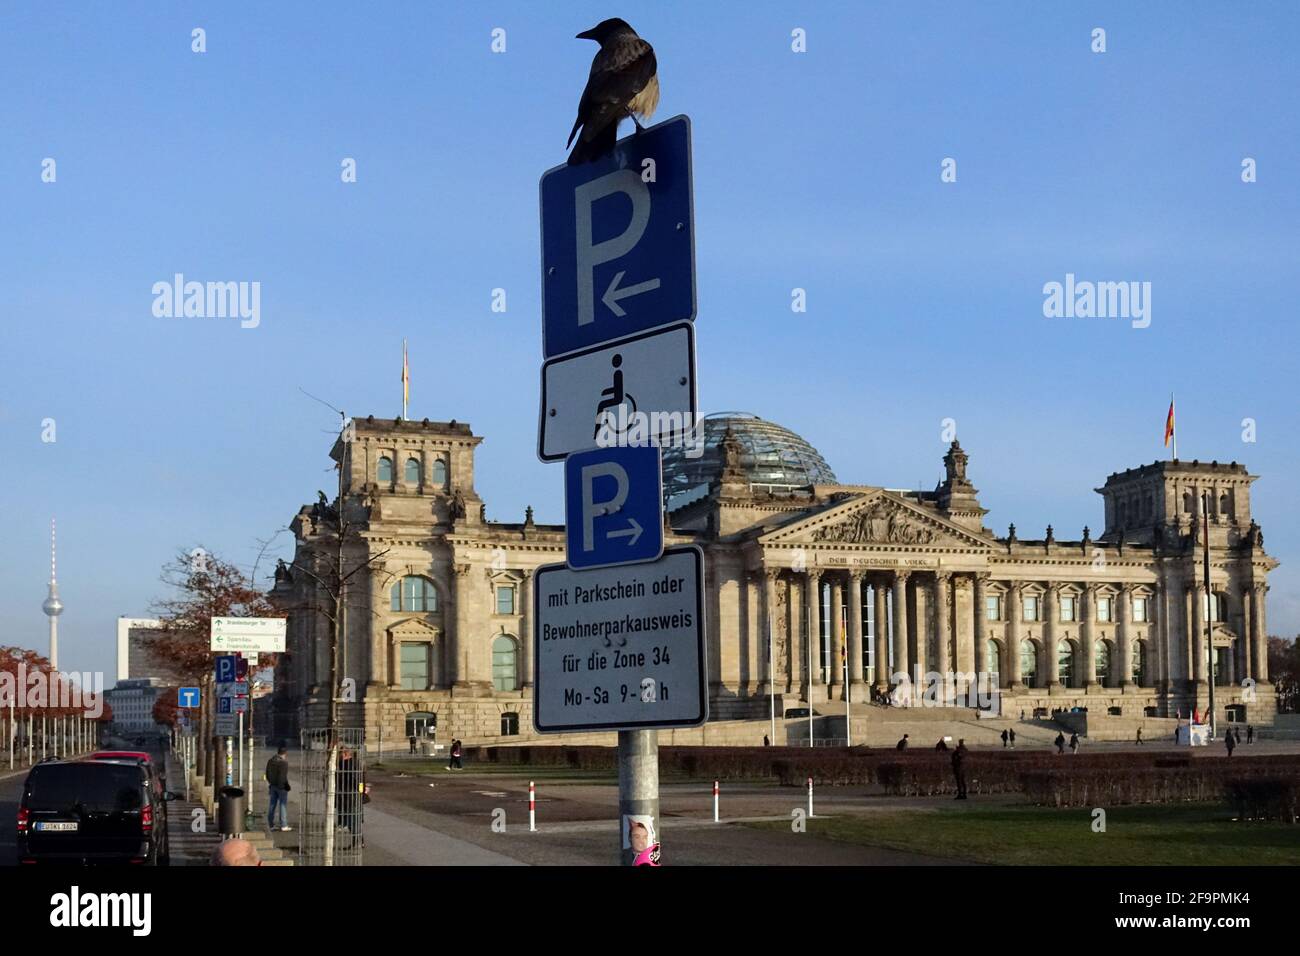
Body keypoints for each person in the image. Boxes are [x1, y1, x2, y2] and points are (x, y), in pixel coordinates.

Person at [265, 743, 292, 832]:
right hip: (281, 787)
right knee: (282, 805)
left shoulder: (270, 761)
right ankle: (283, 825)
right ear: (285, 754)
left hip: (272, 786)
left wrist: (271, 782)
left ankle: (270, 824)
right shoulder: (284, 763)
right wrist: (286, 786)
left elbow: (267, 774)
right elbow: (282, 777)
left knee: (272, 805)